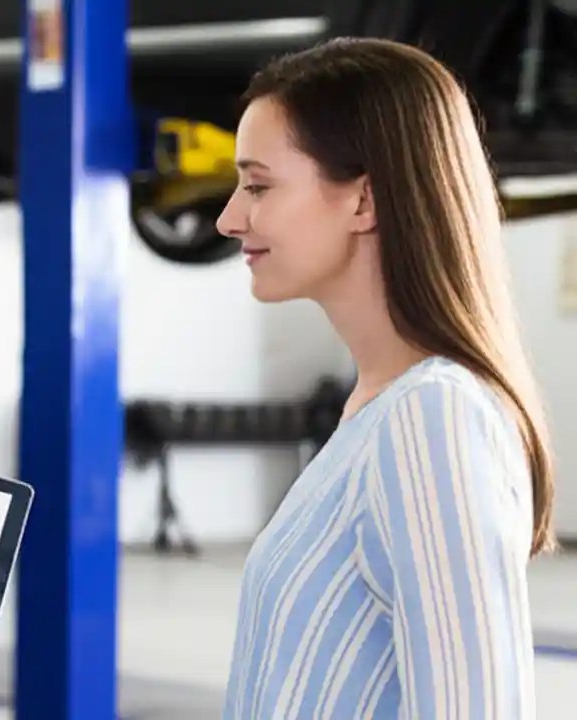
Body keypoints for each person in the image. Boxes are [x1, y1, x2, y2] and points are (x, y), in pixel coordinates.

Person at [216, 37, 554, 719]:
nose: (228, 218)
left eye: (258, 185)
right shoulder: (376, 411)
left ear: (365, 199)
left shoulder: (432, 418)